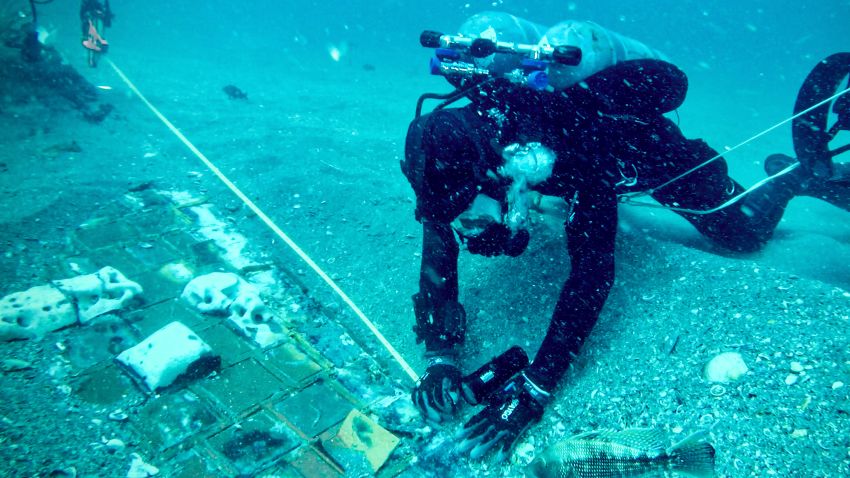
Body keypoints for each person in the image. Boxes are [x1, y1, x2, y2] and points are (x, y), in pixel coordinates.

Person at [401, 12, 850, 461]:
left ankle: (796, 177)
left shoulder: (571, 145)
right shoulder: (450, 155)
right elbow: (438, 234)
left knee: (744, 233)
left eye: (468, 216)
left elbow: (592, 271)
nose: (464, 228)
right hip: (545, 169)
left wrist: (538, 383)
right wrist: (441, 355)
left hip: (646, 151)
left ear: (495, 176)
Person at [80, 0, 112, 67]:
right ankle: (93, 60)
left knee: (95, 40)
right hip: (93, 23)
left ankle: (93, 60)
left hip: (95, 22)